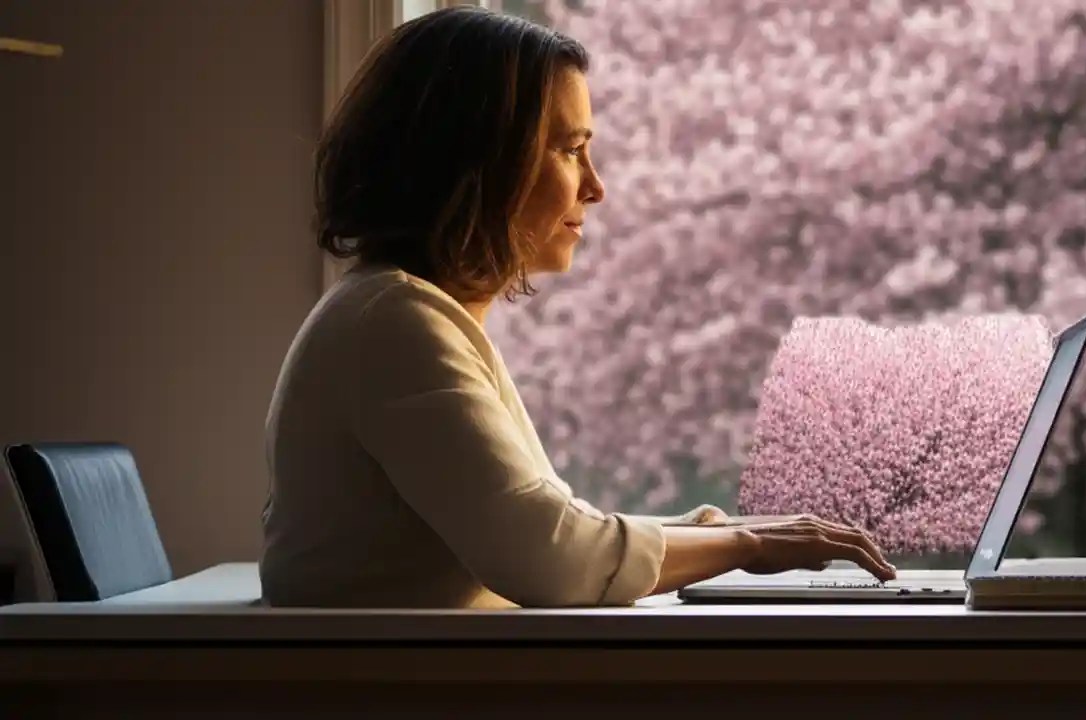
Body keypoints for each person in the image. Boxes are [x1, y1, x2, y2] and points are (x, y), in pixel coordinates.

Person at [259, 6, 896, 609]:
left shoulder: (399, 311)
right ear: (477, 162)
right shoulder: (394, 325)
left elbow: (547, 528)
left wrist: (717, 533)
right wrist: (744, 545)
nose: (595, 185)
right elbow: (551, 556)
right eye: (568, 149)